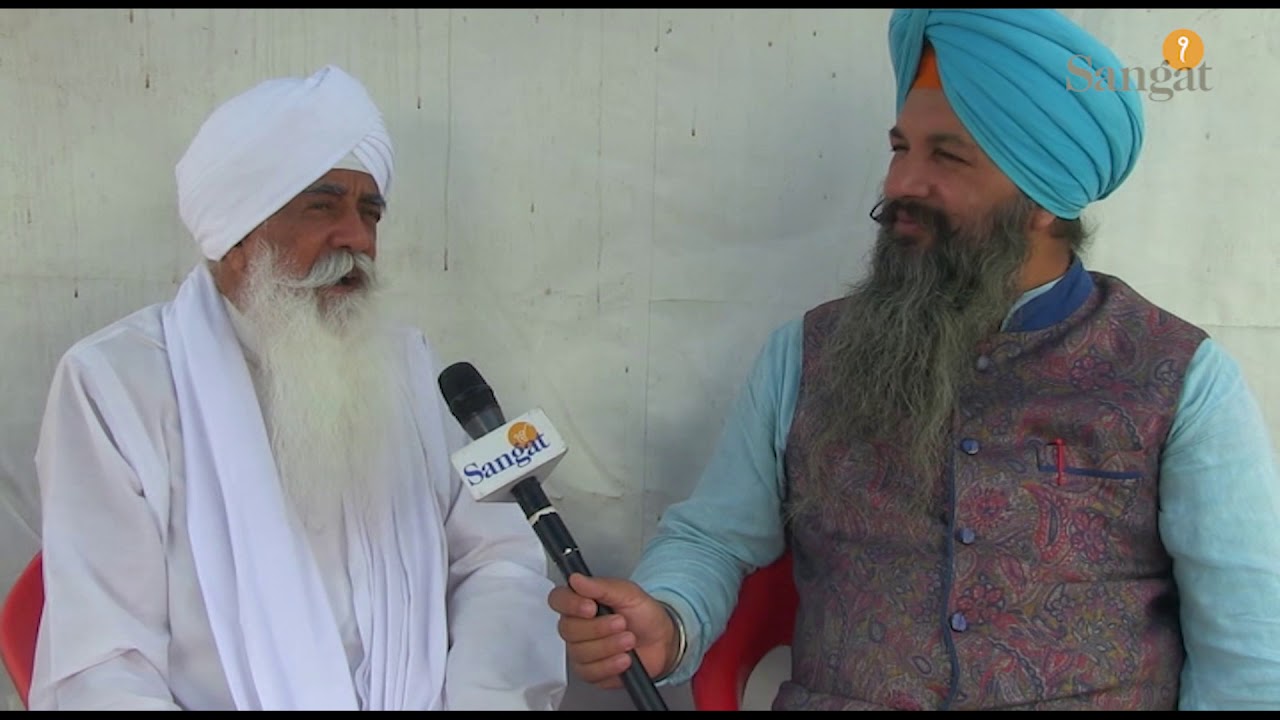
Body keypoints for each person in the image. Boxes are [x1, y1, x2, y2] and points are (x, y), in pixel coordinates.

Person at [547, 8, 1280, 711]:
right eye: (901, 149)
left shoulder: (1178, 377)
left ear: (1046, 198)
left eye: (947, 157)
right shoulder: (806, 355)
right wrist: (669, 620)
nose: (900, 185)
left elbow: (1249, 656)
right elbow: (713, 537)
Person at [29, 64, 567, 711]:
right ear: (235, 235)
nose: (359, 239)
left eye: (371, 212)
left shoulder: (406, 366)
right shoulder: (115, 385)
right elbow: (103, 662)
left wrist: (482, 700)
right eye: (323, 206)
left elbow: (498, 562)